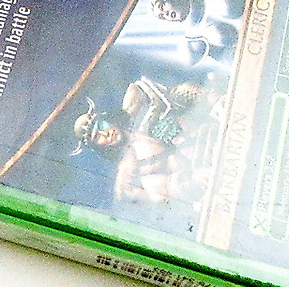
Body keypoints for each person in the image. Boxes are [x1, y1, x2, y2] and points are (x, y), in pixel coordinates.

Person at [71, 76, 220, 205]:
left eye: (102, 125)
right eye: (98, 137)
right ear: (98, 146)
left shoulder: (146, 110)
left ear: (108, 119)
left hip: (219, 131)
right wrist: (197, 181)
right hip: (212, 176)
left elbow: (180, 95)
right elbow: (162, 193)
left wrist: (214, 100)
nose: (106, 134)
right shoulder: (130, 170)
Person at [149, 0, 245, 67]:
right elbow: (228, 59)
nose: (166, 14)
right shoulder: (192, 40)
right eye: (162, 16)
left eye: (162, 6)